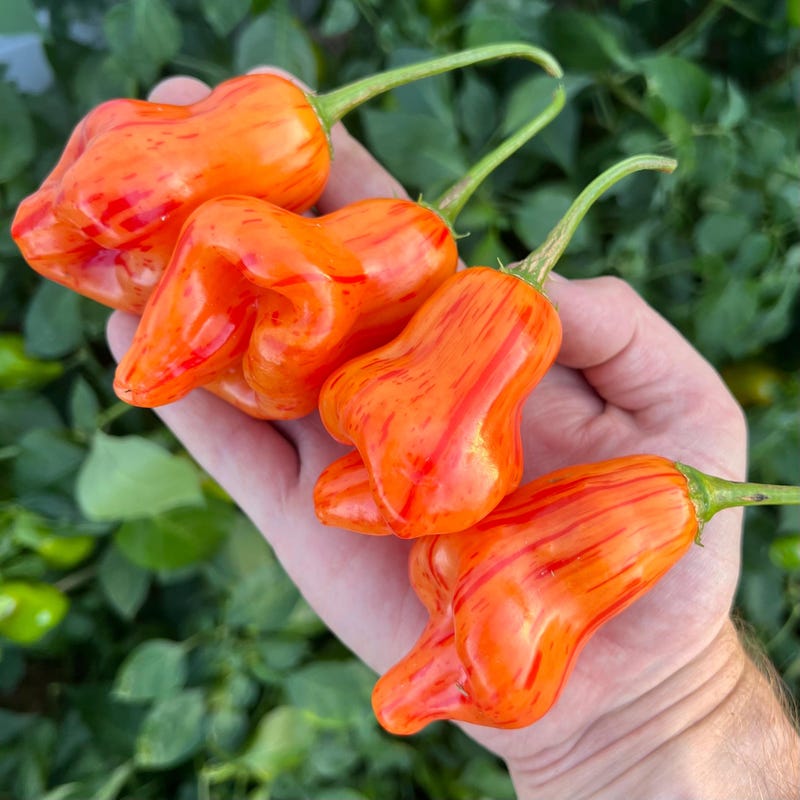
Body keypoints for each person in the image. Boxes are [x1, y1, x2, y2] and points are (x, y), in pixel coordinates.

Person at [106, 71, 800, 799]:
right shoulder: (415, 413)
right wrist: (668, 718)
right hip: (432, 464)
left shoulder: (390, 395)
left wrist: (664, 709)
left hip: (413, 449)